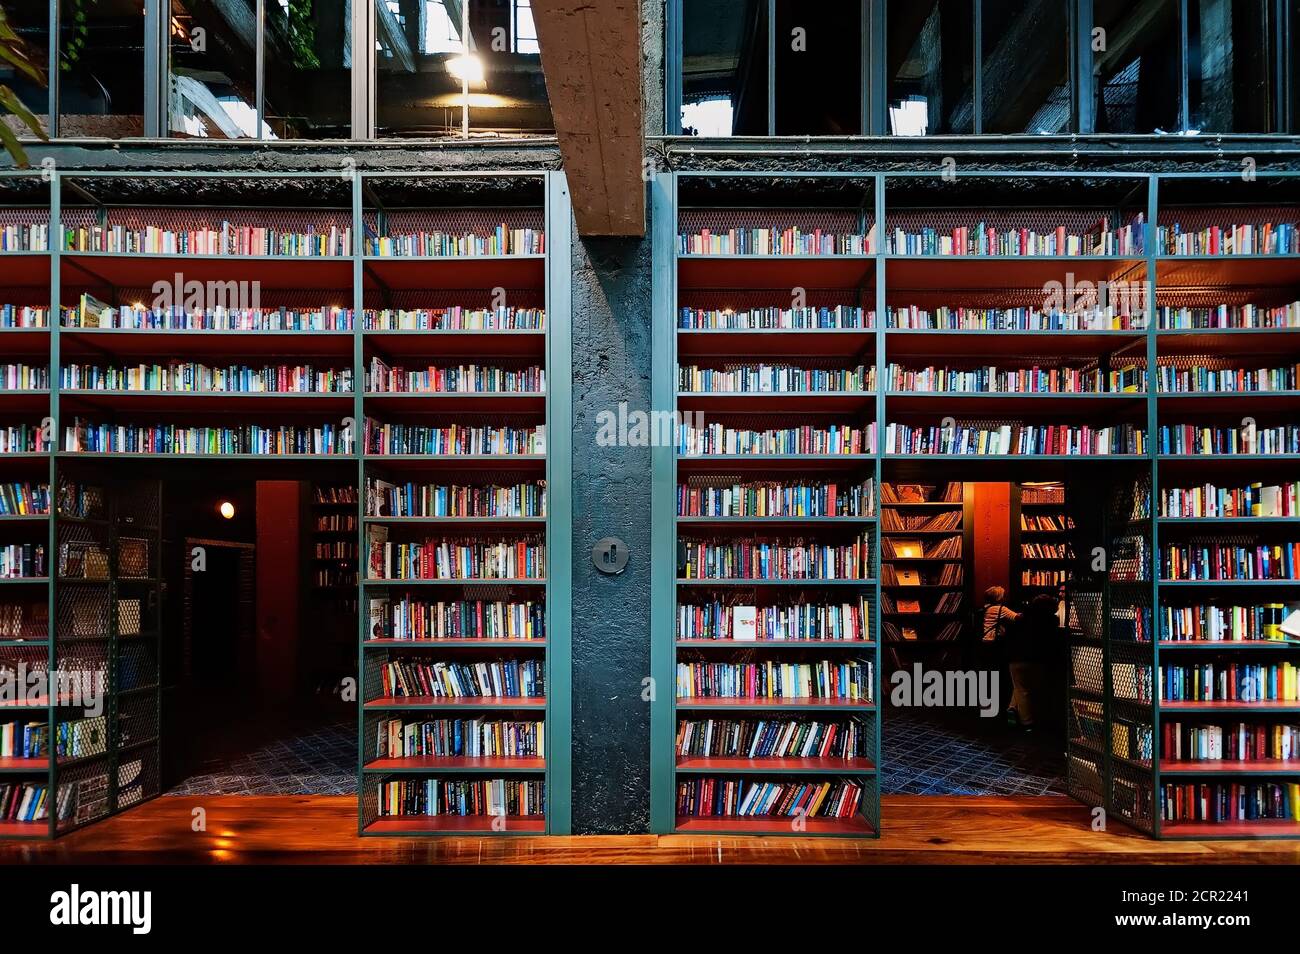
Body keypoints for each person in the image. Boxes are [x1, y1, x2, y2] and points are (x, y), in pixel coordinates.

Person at [1004, 592, 1060, 731]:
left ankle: (1013, 709)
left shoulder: (1022, 617)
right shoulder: (1051, 620)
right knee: (1031, 688)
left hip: (1017, 656)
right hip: (1037, 657)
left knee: (1020, 687)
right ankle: (1027, 722)